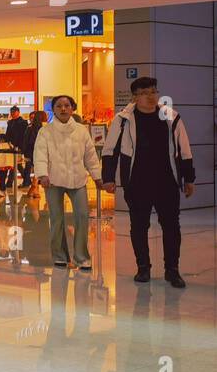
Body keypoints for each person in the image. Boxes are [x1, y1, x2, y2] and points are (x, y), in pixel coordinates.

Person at [102, 77, 195, 288]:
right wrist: (108, 178)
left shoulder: (170, 116)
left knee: (171, 226)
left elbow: (185, 150)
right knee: (139, 226)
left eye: (154, 91)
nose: (151, 96)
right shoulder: (123, 119)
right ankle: (143, 268)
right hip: (137, 182)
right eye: (145, 93)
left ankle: (172, 270)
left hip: (167, 181)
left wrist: (189, 179)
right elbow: (110, 151)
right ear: (135, 97)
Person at [33, 95, 101, 270]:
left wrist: (97, 176)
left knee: (82, 216)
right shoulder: (45, 132)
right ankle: (60, 256)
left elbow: (91, 156)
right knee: (56, 219)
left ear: (72, 108)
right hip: (53, 181)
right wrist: (42, 175)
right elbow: (40, 155)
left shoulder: (81, 130)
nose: (63, 109)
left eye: (66, 105)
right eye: (59, 106)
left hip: (78, 180)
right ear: (53, 109)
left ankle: (82, 257)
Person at [0, 106, 27, 190]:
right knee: (16, 164)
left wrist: (21, 147)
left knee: (15, 164)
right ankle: (27, 180)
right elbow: (8, 134)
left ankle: (10, 182)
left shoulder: (23, 122)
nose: (12, 114)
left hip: (18, 146)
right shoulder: (10, 122)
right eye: (11, 112)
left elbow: (24, 136)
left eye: (14, 112)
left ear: (18, 112)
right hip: (10, 146)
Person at [22, 110, 46, 193]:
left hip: (32, 152)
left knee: (37, 170)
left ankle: (34, 189)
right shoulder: (43, 128)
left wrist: (25, 152)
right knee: (40, 170)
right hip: (40, 151)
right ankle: (34, 188)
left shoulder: (31, 127)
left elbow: (26, 141)